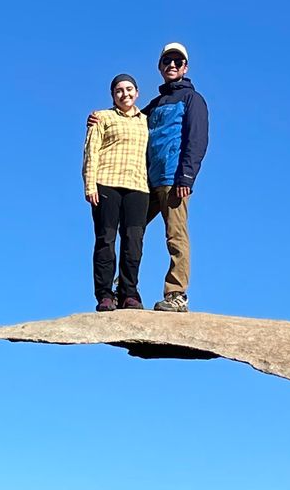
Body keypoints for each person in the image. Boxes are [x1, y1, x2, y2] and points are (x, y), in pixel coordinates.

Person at [141, 41, 209, 312]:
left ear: (185, 67)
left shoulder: (193, 99)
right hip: (146, 179)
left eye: (177, 62)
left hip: (173, 179)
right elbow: (130, 121)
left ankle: (176, 294)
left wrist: (187, 176)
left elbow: (197, 139)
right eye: (167, 61)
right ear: (159, 67)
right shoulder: (154, 104)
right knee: (131, 231)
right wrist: (100, 118)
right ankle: (125, 289)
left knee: (175, 235)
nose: (172, 65)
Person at [83, 74, 150, 312]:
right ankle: (105, 295)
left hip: (138, 187)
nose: (125, 94)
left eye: (129, 89)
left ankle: (129, 293)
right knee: (106, 240)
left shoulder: (146, 120)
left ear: (137, 92)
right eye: (119, 90)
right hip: (106, 183)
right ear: (113, 95)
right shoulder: (102, 117)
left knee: (134, 242)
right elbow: (92, 152)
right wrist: (90, 185)